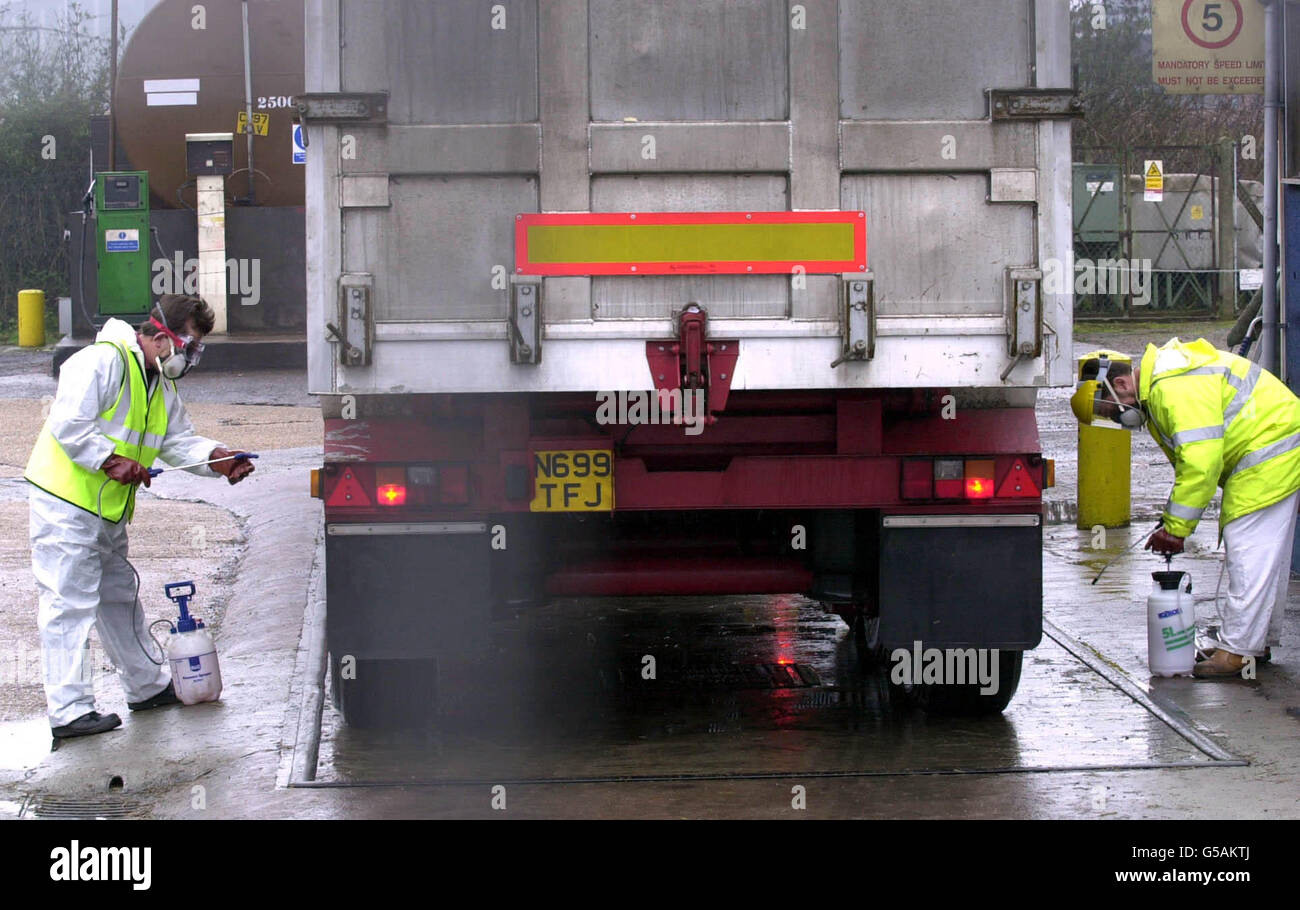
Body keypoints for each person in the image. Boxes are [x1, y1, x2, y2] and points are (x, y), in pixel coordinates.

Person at [25, 294, 255, 739]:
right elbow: (69, 422)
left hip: (106, 509)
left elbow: (178, 441)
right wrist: (110, 460)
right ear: (160, 335)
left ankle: (147, 687)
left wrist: (216, 458)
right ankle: (69, 712)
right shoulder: (100, 361)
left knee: (119, 599)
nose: (190, 357)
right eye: (188, 345)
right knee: (67, 605)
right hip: (65, 505)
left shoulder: (160, 385)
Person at [1070, 338, 1300, 678]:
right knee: (1266, 558)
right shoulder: (1165, 378)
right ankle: (1251, 643)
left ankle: (1237, 652)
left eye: (1109, 411)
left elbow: (1200, 464)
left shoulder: (1169, 387)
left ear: (1120, 385)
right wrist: (1171, 521)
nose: (1118, 420)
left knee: (1248, 552)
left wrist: (1176, 530)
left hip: (1269, 454)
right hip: (1275, 447)